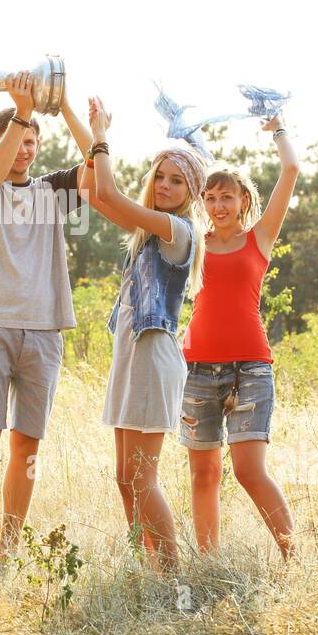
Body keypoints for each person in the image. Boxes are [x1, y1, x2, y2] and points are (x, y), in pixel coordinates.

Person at [0, 73, 93, 563]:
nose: (26, 149)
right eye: (17, 138)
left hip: (42, 331)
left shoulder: (53, 192)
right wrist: (21, 111)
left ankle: (7, 548)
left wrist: (71, 108)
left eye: (33, 141)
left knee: (27, 448)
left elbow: (96, 175)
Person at [81, 95, 206, 571]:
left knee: (142, 476)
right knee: (123, 476)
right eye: (162, 177)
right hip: (130, 358)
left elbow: (110, 195)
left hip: (155, 359)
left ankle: (172, 573)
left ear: (190, 192)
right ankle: (144, 568)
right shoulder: (146, 231)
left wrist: (101, 138)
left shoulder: (177, 231)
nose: (167, 185)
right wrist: (89, 128)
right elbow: (96, 193)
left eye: (178, 181)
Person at [180, 115, 297, 558]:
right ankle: (208, 563)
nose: (217, 205)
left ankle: (294, 555)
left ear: (244, 199)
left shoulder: (260, 238)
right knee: (203, 474)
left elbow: (290, 172)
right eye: (209, 198)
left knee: (249, 470)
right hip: (196, 369)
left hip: (251, 368)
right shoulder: (193, 241)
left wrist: (279, 130)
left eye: (225, 197)